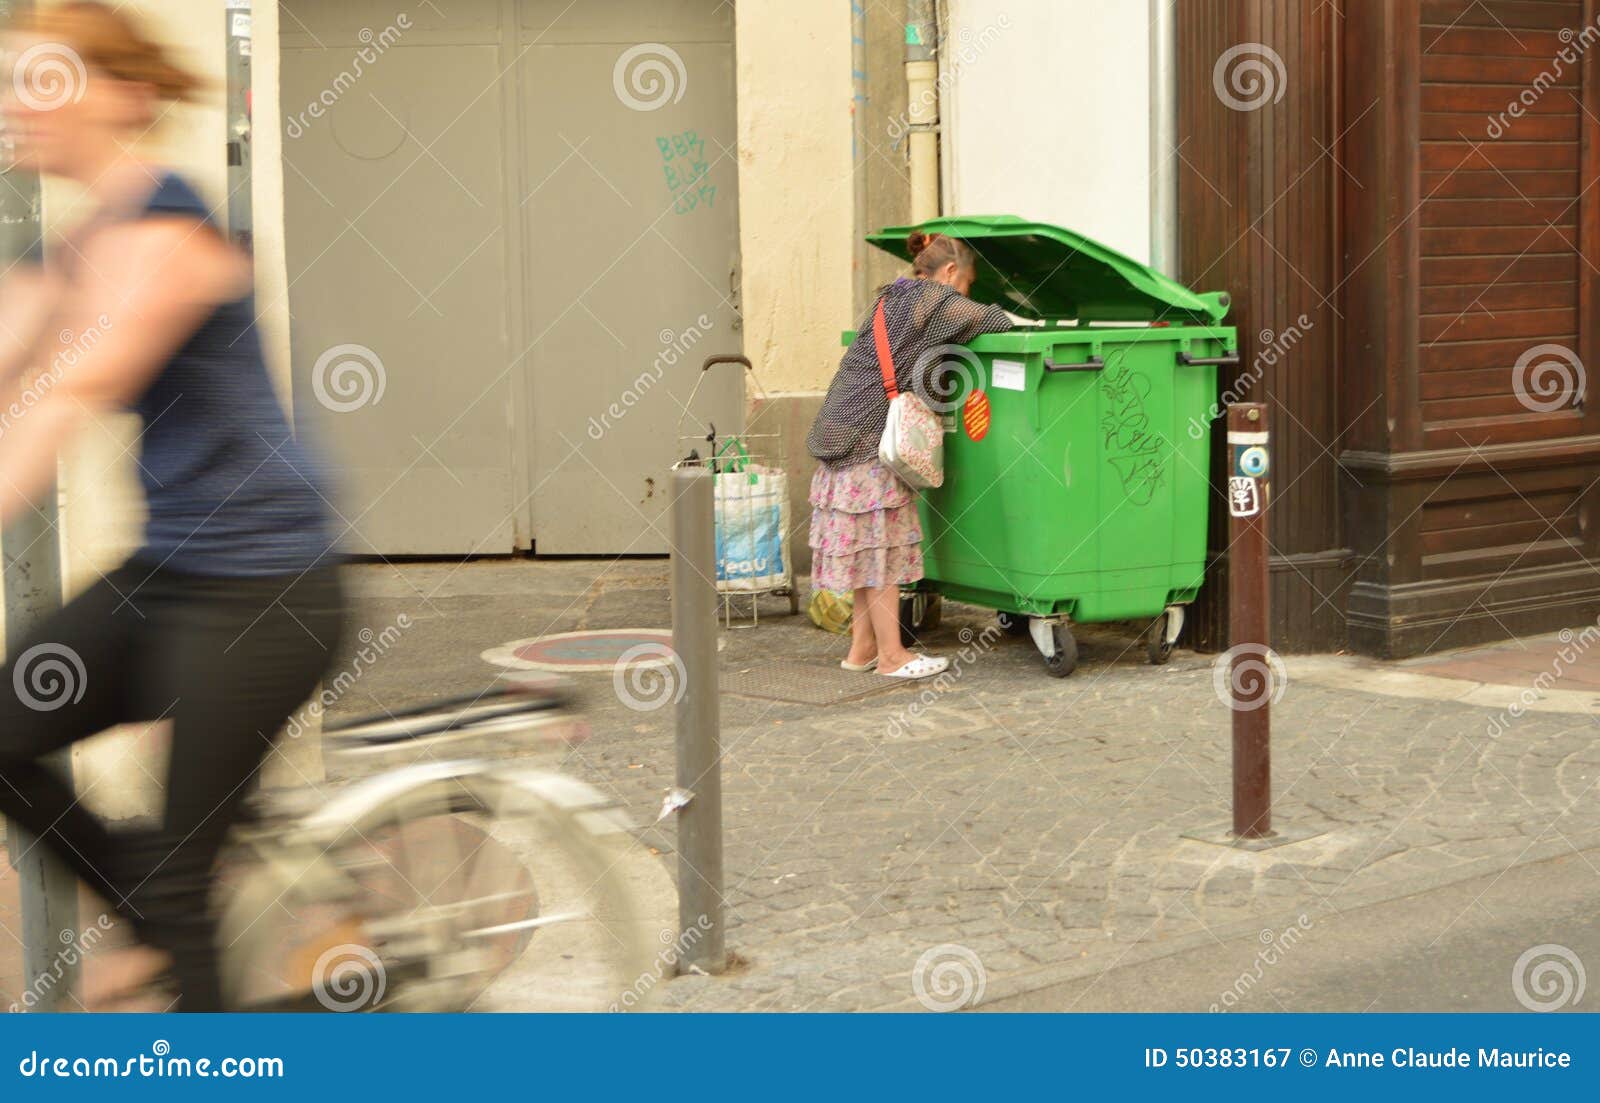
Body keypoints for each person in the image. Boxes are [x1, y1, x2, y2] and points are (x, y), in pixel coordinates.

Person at [0, 2, 345, 1010]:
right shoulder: (75, 245)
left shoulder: (173, 230)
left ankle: (192, 1000)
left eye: (46, 80)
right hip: (171, 572)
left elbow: (60, 389)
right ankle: (152, 921)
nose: (20, 102)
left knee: (187, 877)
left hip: (264, 592)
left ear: (127, 97)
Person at [806, 232, 1011, 679]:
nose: (966, 293)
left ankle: (862, 649)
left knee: (865, 550)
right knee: (882, 552)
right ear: (951, 272)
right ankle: (894, 656)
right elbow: (998, 324)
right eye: (969, 283)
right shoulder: (934, 298)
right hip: (868, 443)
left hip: (839, 431)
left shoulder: (892, 296)